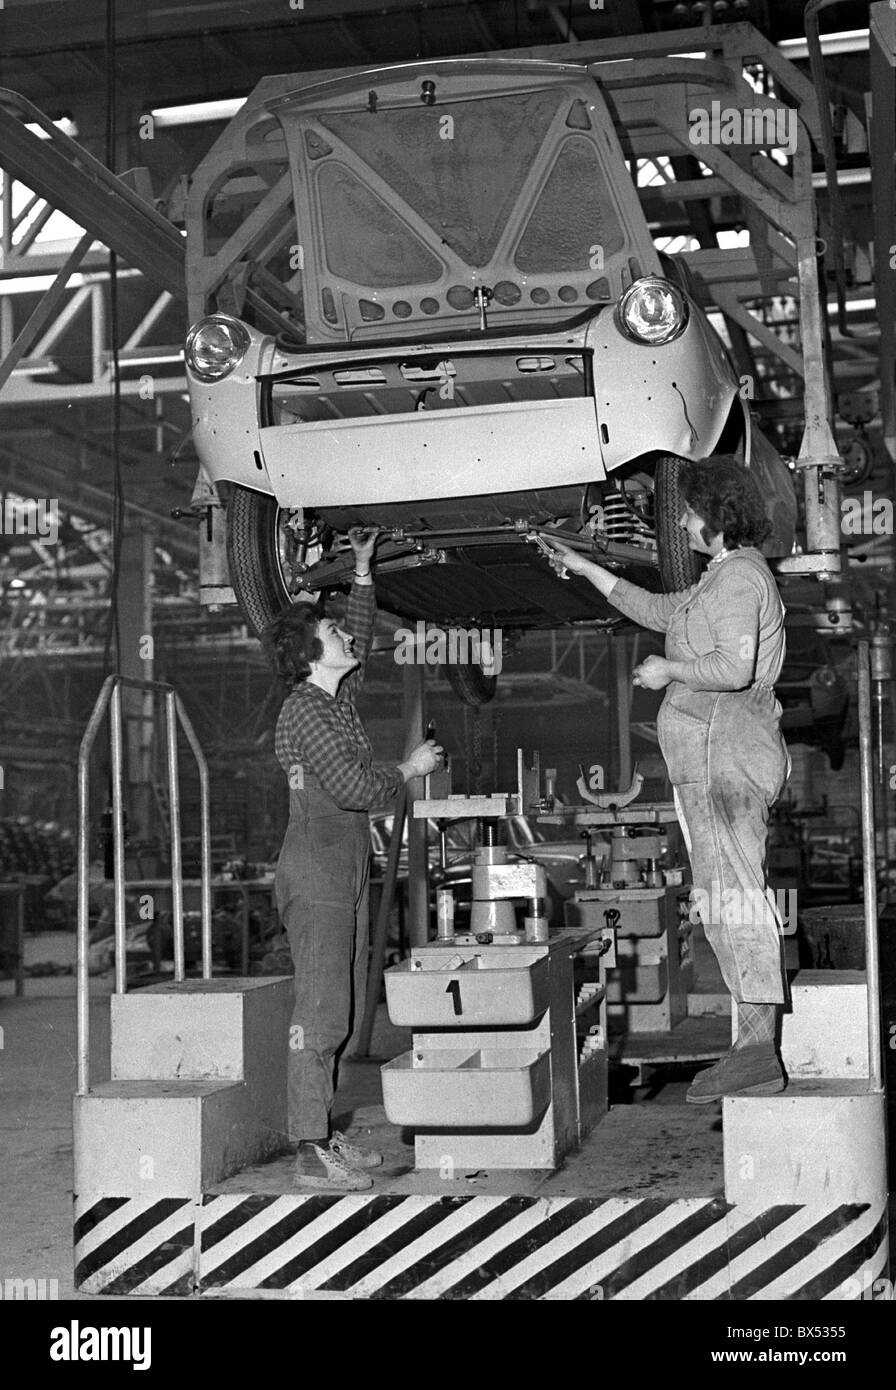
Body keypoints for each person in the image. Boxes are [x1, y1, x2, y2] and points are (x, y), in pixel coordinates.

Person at [542, 456, 790, 1102]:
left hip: (728, 755)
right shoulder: (718, 580)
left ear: (716, 514)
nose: (678, 520)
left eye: (686, 510)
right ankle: (751, 1046)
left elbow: (732, 669)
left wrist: (667, 672)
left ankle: (760, 1050)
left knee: (736, 896)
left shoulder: (740, 580)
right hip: (710, 760)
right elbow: (656, 607)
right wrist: (588, 568)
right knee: (720, 897)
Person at [263, 527, 443, 1189]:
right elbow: (349, 787)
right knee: (320, 1014)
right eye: (333, 633)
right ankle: (310, 1150)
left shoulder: (332, 700)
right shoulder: (305, 710)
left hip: (339, 872)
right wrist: (410, 767)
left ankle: (326, 1130)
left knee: (332, 1011)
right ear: (312, 653)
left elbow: (358, 638)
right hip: (316, 874)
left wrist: (363, 572)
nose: (346, 637)